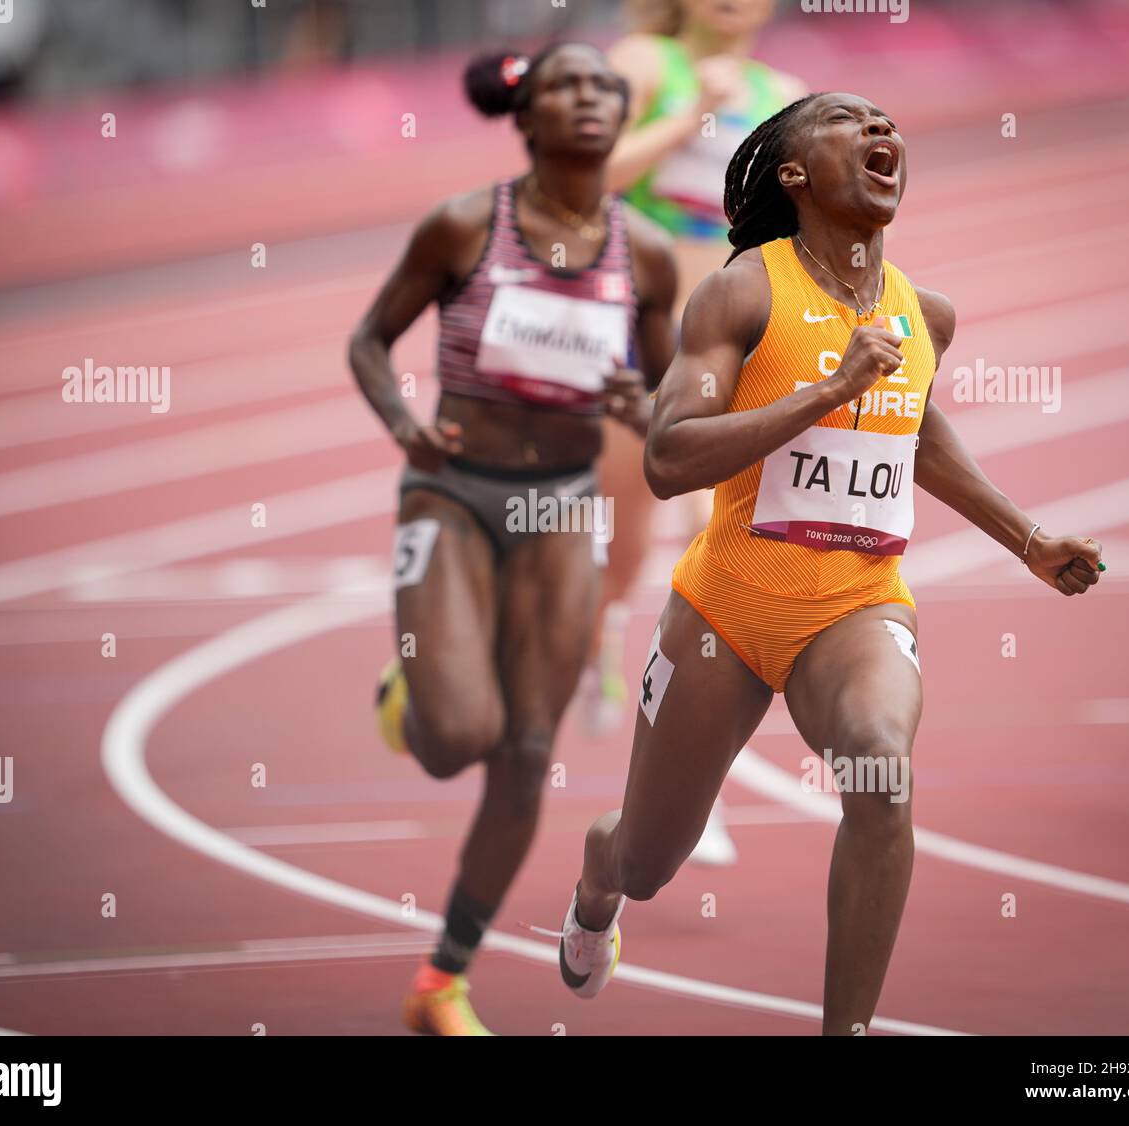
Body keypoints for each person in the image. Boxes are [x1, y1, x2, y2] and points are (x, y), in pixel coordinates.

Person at [554, 92, 1105, 1033]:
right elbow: (668, 457)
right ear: (795, 175)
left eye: (889, 121)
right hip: (724, 611)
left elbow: (915, 434)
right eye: (849, 121)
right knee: (649, 860)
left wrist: (1027, 539)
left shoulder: (923, 315)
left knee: (883, 773)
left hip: (856, 607)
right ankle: (597, 886)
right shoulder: (741, 292)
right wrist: (829, 387)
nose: (881, 130)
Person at [348, 43, 677, 1036]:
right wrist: (406, 427)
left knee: (528, 749)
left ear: (623, 118)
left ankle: (442, 977)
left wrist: (641, 400)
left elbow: (670, 400)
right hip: (453, 493)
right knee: (454, 740)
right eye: (565, 86)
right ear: (524, 118)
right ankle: (415, 694)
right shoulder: (463, 226)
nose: (589, 97)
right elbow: (369, 339)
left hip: (564, 503)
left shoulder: (645, 254)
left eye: (604, 86)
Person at [579, 0, 805, 865]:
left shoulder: (783, 95)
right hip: (634, 340)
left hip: (731, 348)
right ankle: (596, 627)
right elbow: (584, 178)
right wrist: (686, 117)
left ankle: (685, 784)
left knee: (715, 553)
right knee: (630, 547)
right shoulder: (645, 63)